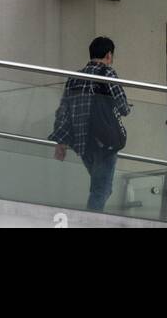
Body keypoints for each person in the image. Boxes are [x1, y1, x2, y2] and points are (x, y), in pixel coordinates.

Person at [49, 36, 132, 212]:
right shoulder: (108, 74)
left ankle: (92, 218)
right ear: (109, 55)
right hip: (105, 142)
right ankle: (90, 222)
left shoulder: (74, 78)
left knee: (100, 187)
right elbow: (123, 108)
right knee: (100, 190)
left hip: (83, 144)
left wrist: (61, 142)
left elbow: (63, 111)